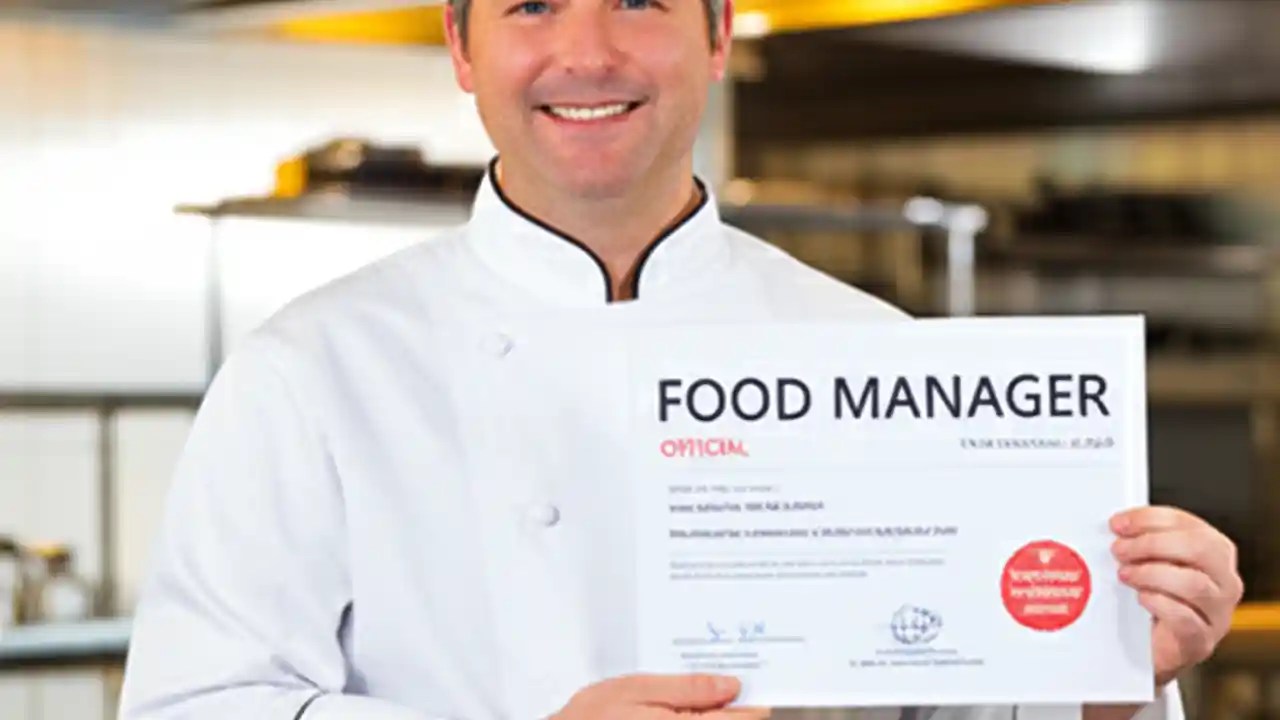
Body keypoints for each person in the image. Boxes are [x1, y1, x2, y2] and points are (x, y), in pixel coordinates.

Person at [118, 0, 1244, 718]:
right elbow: (193, 709)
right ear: (463, 48)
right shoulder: (307, 373)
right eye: (531, 5)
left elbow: (969, 704)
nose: (586, 52)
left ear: (715, 37)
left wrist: (1110, 671)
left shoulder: (873, 356)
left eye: (640, 0)